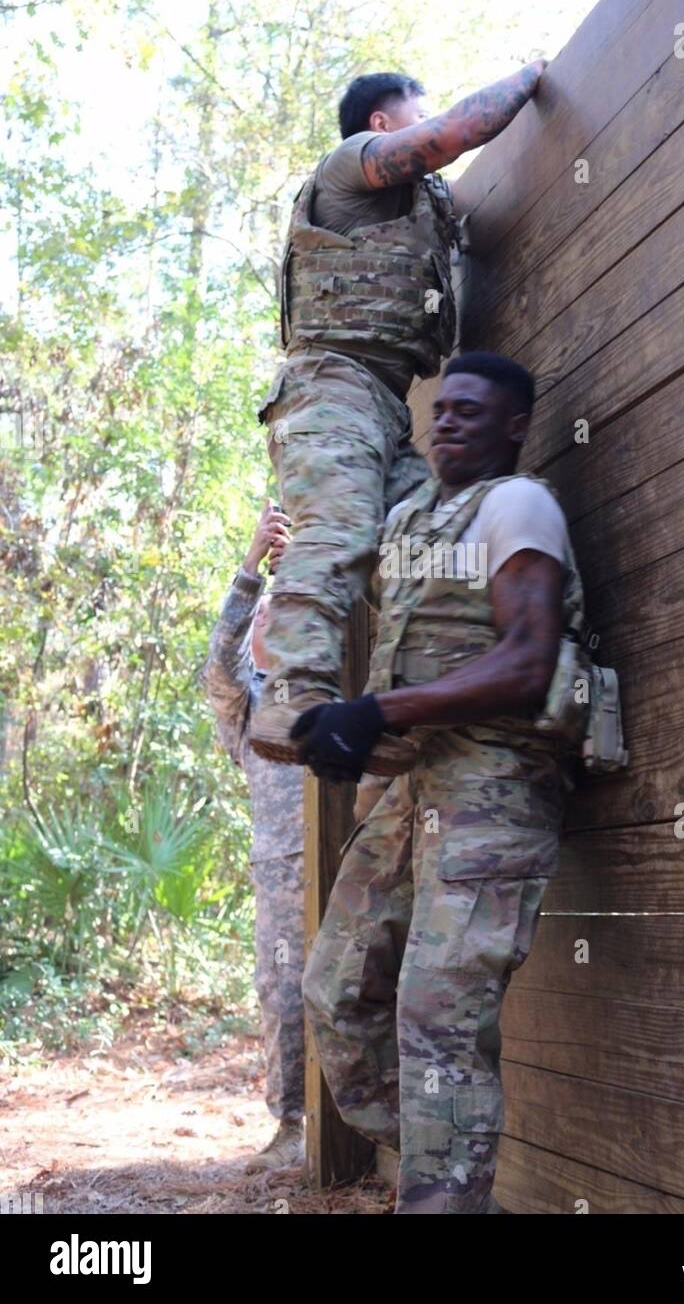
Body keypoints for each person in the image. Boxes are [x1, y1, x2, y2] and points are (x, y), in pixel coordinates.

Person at [295, 351, 582, 1213]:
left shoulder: (517, 503)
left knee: (438, 1023)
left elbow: (528, 661)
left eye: (469, 410)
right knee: (336, 990)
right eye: (441, 408)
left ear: (515, 425)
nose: (446, 420)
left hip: (494, 788)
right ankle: (450, 1181)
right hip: (418, 787)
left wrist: (380, 710)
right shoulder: (424, 513)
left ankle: (440, 1198)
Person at [250, 63, 547, 773]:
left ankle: (395, 711)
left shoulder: (417, 206)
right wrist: (533, 75)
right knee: (341, 529)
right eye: (417, 109)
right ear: (382, 124)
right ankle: (290, 696)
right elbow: (455, 133)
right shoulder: (352, 164)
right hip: (331, 383)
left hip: (382, 402)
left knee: (422, 546)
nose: (427, 117)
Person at [202, 501, 306, 1172]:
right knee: (281, 989)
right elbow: (219, 661)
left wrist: (295, 565)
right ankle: (292, 1124)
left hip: (351, 857)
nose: (265, 617)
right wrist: (250, 568)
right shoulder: (246, 707)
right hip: (281, 875)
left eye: (276, 611)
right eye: (260, 616)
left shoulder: (321, 685)